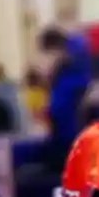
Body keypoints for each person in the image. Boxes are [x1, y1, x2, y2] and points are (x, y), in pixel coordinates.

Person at [40, 26, 93, 173]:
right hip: (66, 98)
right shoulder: (75, 48)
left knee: (66, 132)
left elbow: (67, 61)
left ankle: (65, 165)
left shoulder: (75, 47)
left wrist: (54, 68)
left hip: (69, 99)